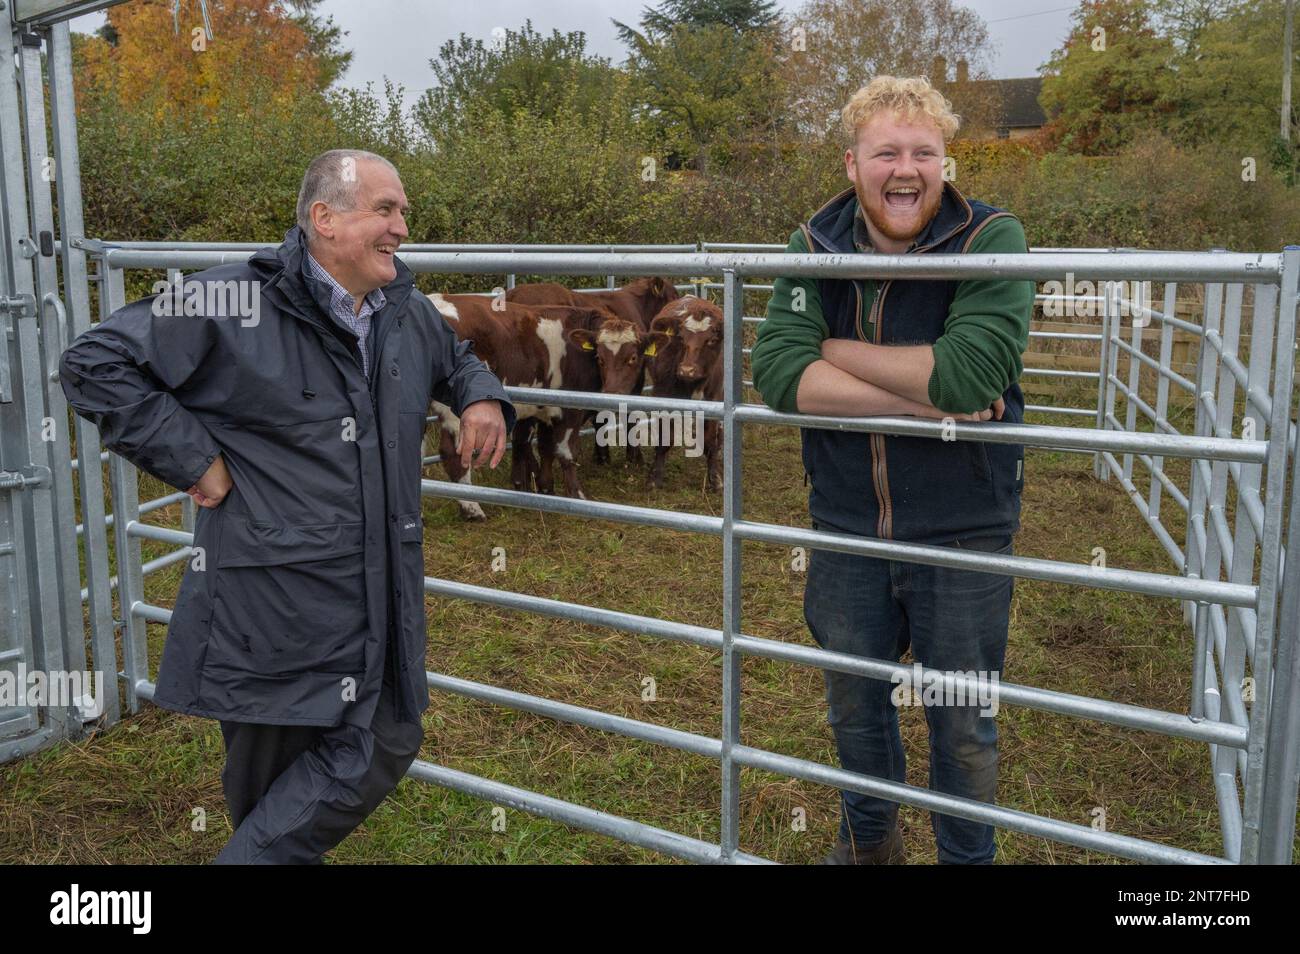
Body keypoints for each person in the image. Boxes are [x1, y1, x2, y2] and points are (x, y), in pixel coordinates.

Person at [60, 149, 515, 863]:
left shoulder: (399, 305)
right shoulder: (233, 300)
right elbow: (94, 364)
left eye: (403, 211)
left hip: (377, 585)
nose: (402, 226)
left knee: (388, 733)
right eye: (385, 210)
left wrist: (481, 393)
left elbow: (452, 357)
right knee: (264, 787)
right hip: (270, 598)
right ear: (325, 220)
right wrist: (193, 460)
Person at [751, 77, 1035, 864]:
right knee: (855, 706)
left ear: (946, 162)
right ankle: (870, 845)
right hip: (846, 524)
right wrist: (922, 403)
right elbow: (777, 374)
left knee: (963, 719)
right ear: (852, 164)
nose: (904, 169)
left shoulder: (990, 239)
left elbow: (973, 377)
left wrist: (836, 352)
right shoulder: (814, 243)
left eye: (923, 152)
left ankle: (965, 858)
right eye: (886, 152)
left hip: (963, 526)